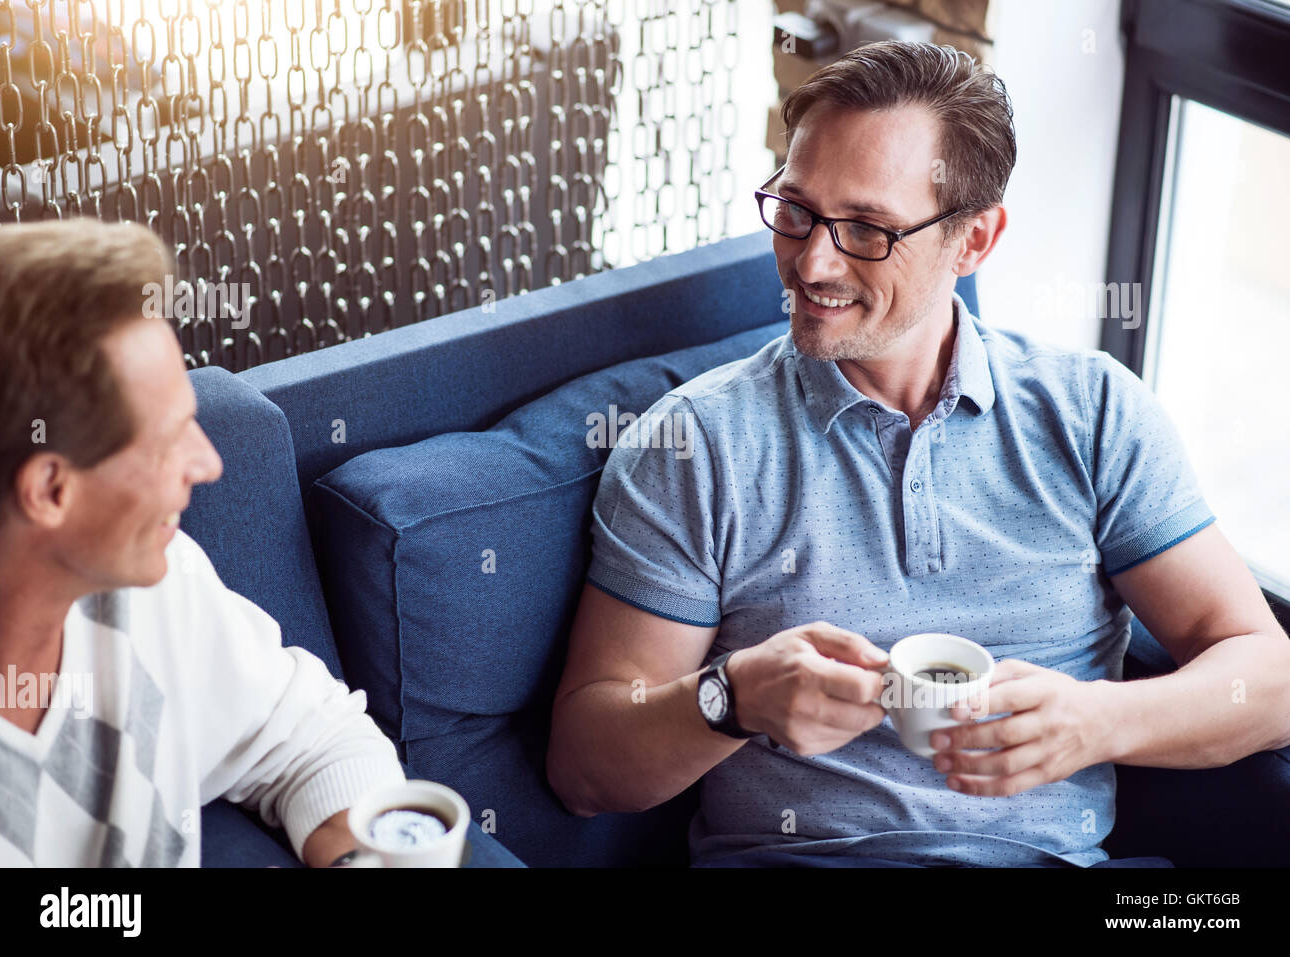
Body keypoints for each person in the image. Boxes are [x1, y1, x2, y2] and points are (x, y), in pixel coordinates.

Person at [545, 40, 1290, 867]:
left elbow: (1270, 680)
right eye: (795, 209)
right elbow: (583, 767)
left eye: (865, 229)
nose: (811, 262)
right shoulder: (695, 445)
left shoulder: (1091, 412)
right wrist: (732, 699)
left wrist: (1096, 722)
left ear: (973, 242)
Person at [0, 219, 405, 866]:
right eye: (169, 435)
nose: (208, 463)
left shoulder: (151, 588)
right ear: (49, 489)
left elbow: (319, 740)